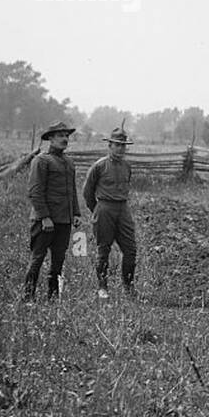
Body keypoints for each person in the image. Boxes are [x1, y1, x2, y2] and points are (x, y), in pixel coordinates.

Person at [23, 120, 82, 302]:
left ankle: (53, 299)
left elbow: (71, 190)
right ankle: (28, 298)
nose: (64, 139)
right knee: (37, 259)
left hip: (64, 221)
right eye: (60, 135)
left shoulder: (68, 163)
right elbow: (35, 192)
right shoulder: (41, 161)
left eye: (66, 136)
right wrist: (44, 217)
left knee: (58, 262)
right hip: (44, 221)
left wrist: (76, 214)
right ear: (50, 138)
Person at [83, 127, 138, 300]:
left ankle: (128, 288)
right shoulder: (99, 166)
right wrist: (98, 210)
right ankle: (102, 288)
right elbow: (87, 192)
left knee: (130, 250)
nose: (120, 149)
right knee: (103, 249)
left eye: (123, 145)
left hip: (122, 208)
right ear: (110, 145)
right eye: (117, 145)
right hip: (104, 207)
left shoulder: (127, 166)